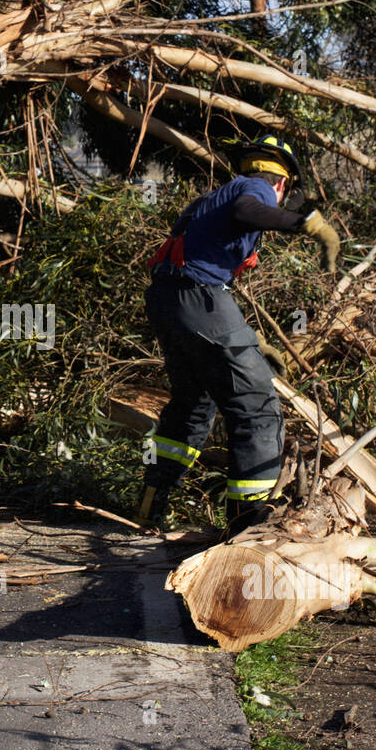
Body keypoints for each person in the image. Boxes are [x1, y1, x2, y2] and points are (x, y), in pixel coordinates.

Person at [134, 134, 340, 535]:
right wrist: (310, 224)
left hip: (168, 302)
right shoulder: (254, 189)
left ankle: (147, 509)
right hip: (197, 298)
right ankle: (248, 528)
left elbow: (193, 268)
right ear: (282, 183)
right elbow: (250, 211)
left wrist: (248, 339)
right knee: (257, 406)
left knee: (193, 403)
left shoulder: (208, 203)